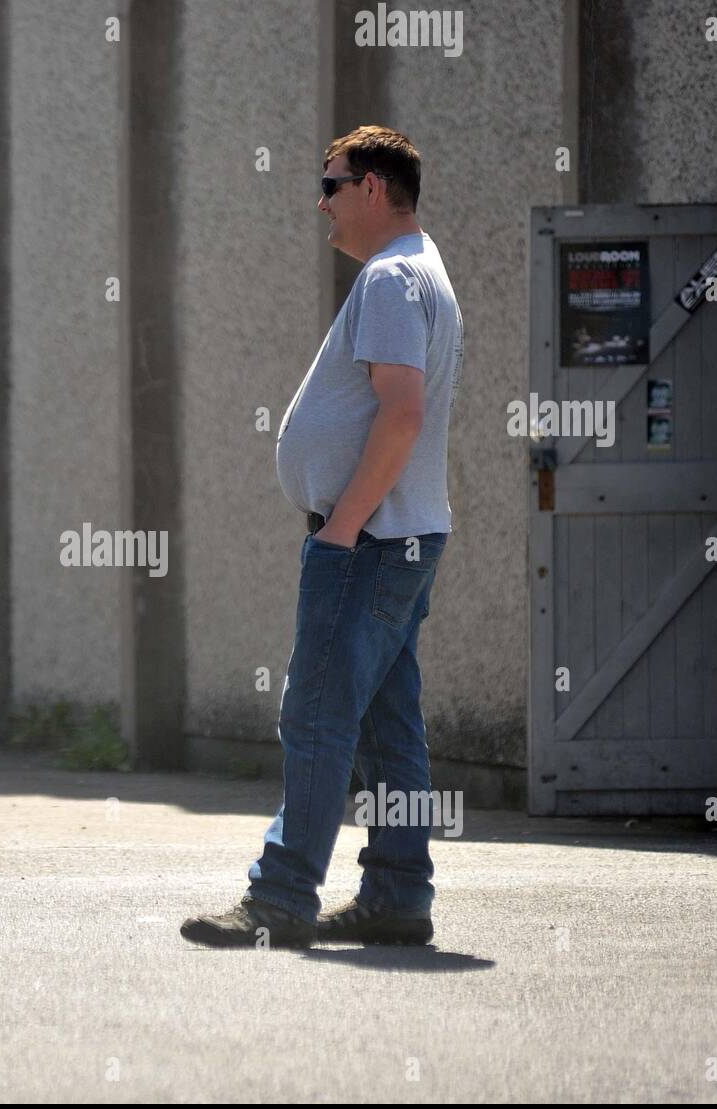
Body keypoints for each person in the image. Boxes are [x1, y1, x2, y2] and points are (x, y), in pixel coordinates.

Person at [181, 126, 463, 949]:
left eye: (332, 184)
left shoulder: (389, 279)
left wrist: (341, 527)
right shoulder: (423, 271)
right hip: (403, 536)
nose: (322, 201)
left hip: (368, 542)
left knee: (317, 720)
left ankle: (280, 898)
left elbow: (402, 413)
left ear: (374, 189)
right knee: (387, 724)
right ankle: (398, 896)